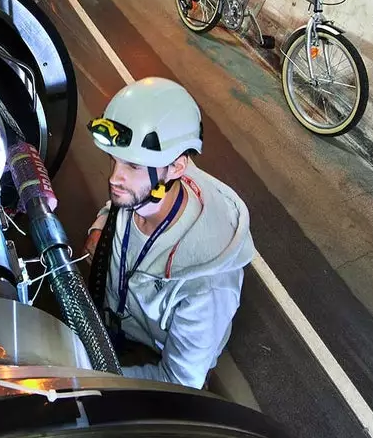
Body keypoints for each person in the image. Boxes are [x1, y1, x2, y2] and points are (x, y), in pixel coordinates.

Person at [84, 77, 253, 389]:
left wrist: (86, 379)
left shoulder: (206, 287)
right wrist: (100, 226)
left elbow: (178, 383)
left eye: (132, 166)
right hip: (119, 323)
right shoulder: (147, 186)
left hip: (152, 354)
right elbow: (117, 205)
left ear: (176, 169)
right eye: (113, 160)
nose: (114, 178)